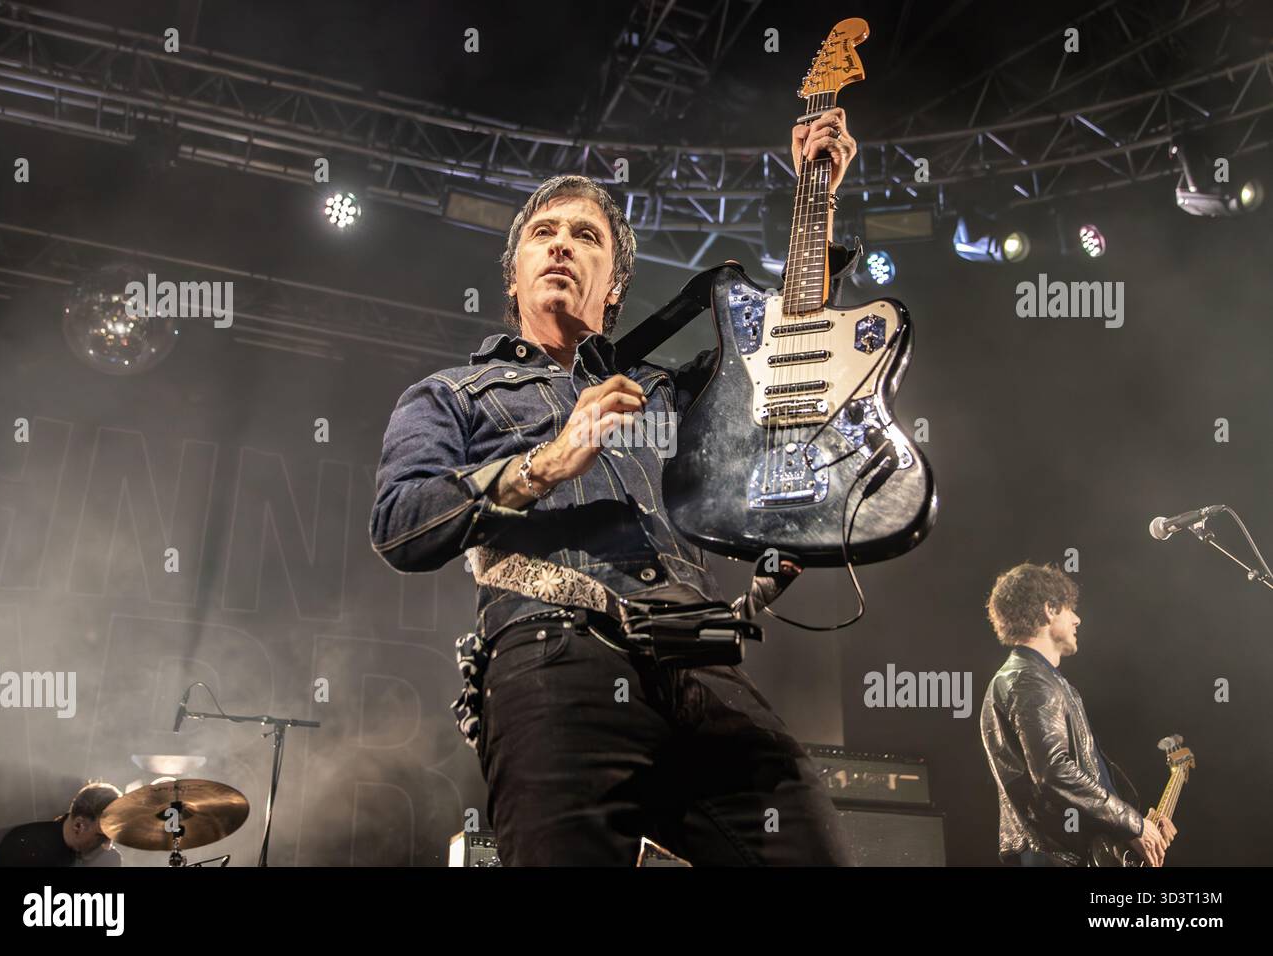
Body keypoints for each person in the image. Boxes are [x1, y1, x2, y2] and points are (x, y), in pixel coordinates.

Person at [371, 109, 858, 865]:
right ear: (514, 274)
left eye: (586, 236)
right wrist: (544, 463)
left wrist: (815, 200)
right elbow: (400, 523)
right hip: (551, 660)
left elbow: (788, 370)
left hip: (701, 663)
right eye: (544, 232)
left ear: (616, 287)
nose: (562, 242)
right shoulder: (451, 394)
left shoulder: (662, 389)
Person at [979, 563, 1177, 866]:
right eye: (1070, 610)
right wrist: (1133, 824)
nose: (1077, 619)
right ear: (1049, 609)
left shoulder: (1042, 679)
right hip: (1055, 855)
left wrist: (1134, 825)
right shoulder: (1028, 679)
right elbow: (1053, 771)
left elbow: (1075, 777)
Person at [0, 781, 123, 867]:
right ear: (78, 826)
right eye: (102, 836)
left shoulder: (109, 859)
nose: (107, 846)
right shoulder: (22, 844)